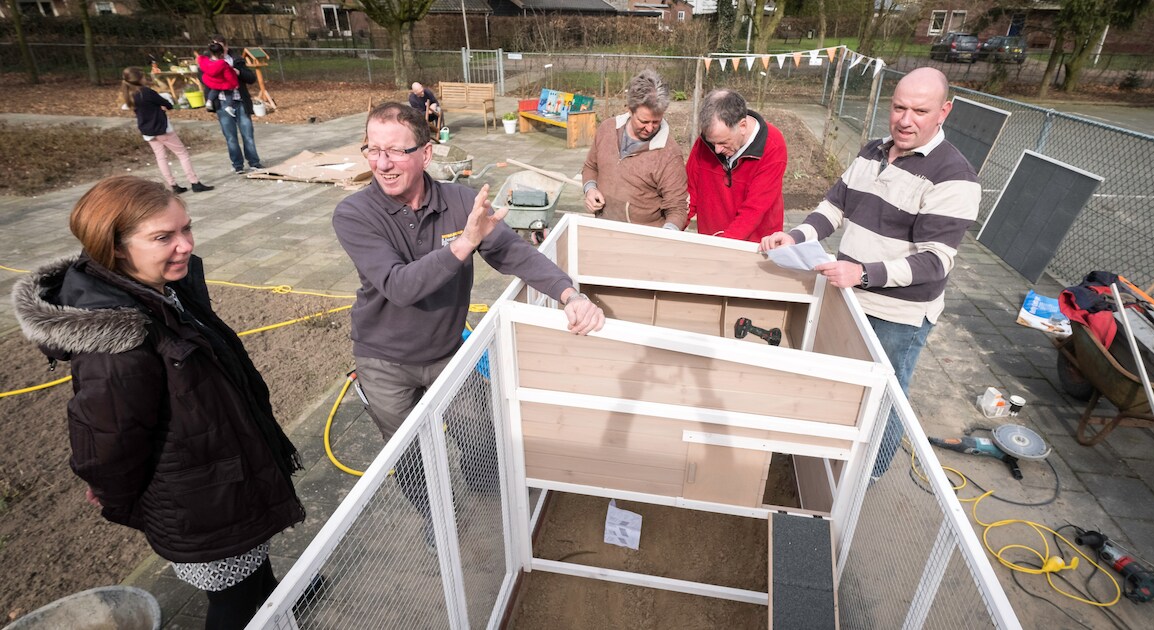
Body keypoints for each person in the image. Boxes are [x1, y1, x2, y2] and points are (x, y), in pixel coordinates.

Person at [12, 176, 305, 628]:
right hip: (203, 500)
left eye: (186, 229)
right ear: (115, 247)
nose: (185, 245)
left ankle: (283, 605)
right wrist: (116, 494)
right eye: (163, 237)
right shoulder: (120, 344)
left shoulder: (164, 290)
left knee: (252, 582)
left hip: (226, 480)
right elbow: (107, 444)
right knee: (234, 603)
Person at [332, 102, 604, 538]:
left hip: (446, 351)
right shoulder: (354, 213)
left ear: (426, 153)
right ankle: (438, 516)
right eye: (373, 150)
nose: (382, 164)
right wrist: (464, 244)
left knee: (479, 430)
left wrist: (570, 294)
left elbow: (515, 253)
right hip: (384, 361)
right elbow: (399, 286)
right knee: (408, 453)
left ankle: (489, 494)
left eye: (396, 151)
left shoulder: (460, 203)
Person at [759, 67, 981, 477]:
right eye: (898, 107)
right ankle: (830, 452)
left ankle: (871, 474)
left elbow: (935, 262)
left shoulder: (955, 176)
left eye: (919, 110)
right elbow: (834, 207)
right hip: (851, 292)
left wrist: (862, 274)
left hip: (898, 314)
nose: (905, 119)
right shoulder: (873, 151)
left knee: (886, 394)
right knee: (844, 378)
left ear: (944, 112)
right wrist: (796, 236)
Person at [580, 69, 687, 230]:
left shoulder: (669, 154)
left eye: (656, 122)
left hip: (643, 241)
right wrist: (590, 189)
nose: (650, 128)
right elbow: (590, 167)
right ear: (630, 110)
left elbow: (677, 209)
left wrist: (667, 235)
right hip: (603, 230)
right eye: (644, 121)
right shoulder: (607, 129)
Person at [686, 89, 787, 242]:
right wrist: (672, 228)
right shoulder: (705, 143)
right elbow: (689, 194)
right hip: (713, 243)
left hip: (756, 247)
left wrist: (722, 245)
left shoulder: (773, 146)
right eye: (712, 142)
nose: (716, 149)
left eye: (722, 142)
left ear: (742, 126)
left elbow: (753, 211)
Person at [120, 66, 214, 195]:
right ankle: (195, 182)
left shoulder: (129, 94)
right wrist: (162, 107)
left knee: (161, 157)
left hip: (147, 130)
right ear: (138, 79)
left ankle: (172, 185)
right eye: (143, 76)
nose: (145, 78)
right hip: (161, 128)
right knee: (182, 154)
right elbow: (167, 103)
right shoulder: (146, 92)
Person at [200, 34, 264, 174]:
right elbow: (205, 81)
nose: (219, 50)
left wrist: (238, 72)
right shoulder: (208, 64)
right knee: (230, 137)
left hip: (240, 101)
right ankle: (238, 165)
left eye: (221, 47)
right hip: (222, 103)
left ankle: (254, 162)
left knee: (248, 134)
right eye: (215, 46)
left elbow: (251, 78)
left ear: (226, 47)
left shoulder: (236, 60)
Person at [195, 41, 239, 117]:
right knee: (229, 92)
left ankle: (209, 101)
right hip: (222, 82)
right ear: (221, 54)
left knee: (214, 90)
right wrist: (235, 84)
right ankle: (229, 106)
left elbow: (201, 66)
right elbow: (229, 76)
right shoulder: (223, 64)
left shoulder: (205, 62)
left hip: (211, 81)